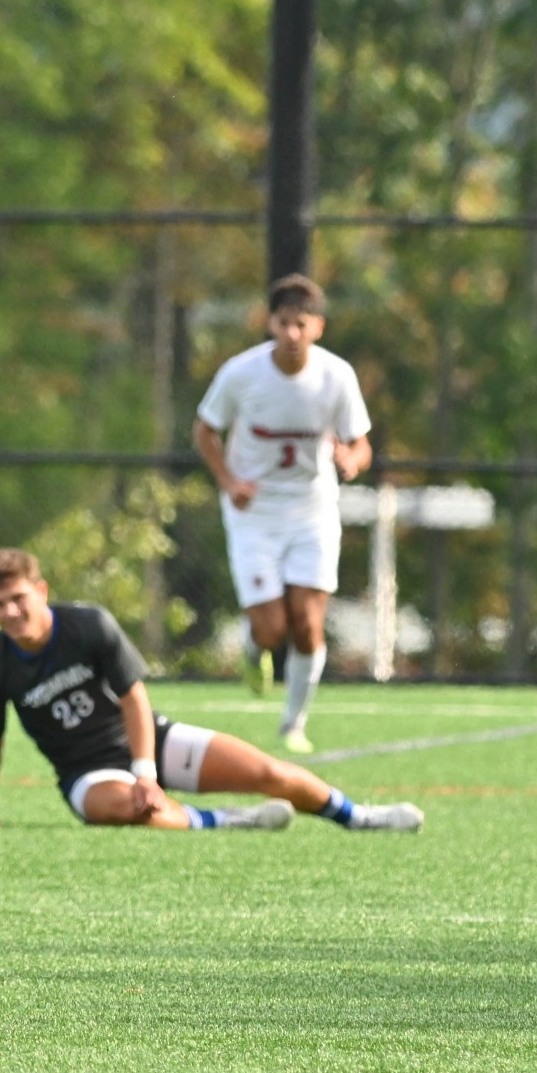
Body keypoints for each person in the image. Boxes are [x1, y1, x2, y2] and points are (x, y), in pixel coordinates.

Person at [0, 549, 422, 832]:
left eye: (18, 598)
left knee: (269, 772)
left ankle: (359, 817)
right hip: (87, 773)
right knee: (128, 807)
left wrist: (145, 770)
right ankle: (228, 820)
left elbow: (134, 698)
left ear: (41, 590)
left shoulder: (89, 625)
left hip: (152, 742)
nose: (9, 612)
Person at [192, 274, 372, 754]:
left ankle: (294, 724)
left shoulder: (337, 376)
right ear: (270, 323)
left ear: (318, 327)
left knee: (308, 622)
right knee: (272, 627)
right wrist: (231, 483)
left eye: (302, 324)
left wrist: (351, 461)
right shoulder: (240, 373)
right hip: (254, 515)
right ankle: (255, 651)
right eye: (284, 323)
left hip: (313, 510)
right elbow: (205, 432)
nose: (292, 334)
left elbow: (361, 443)